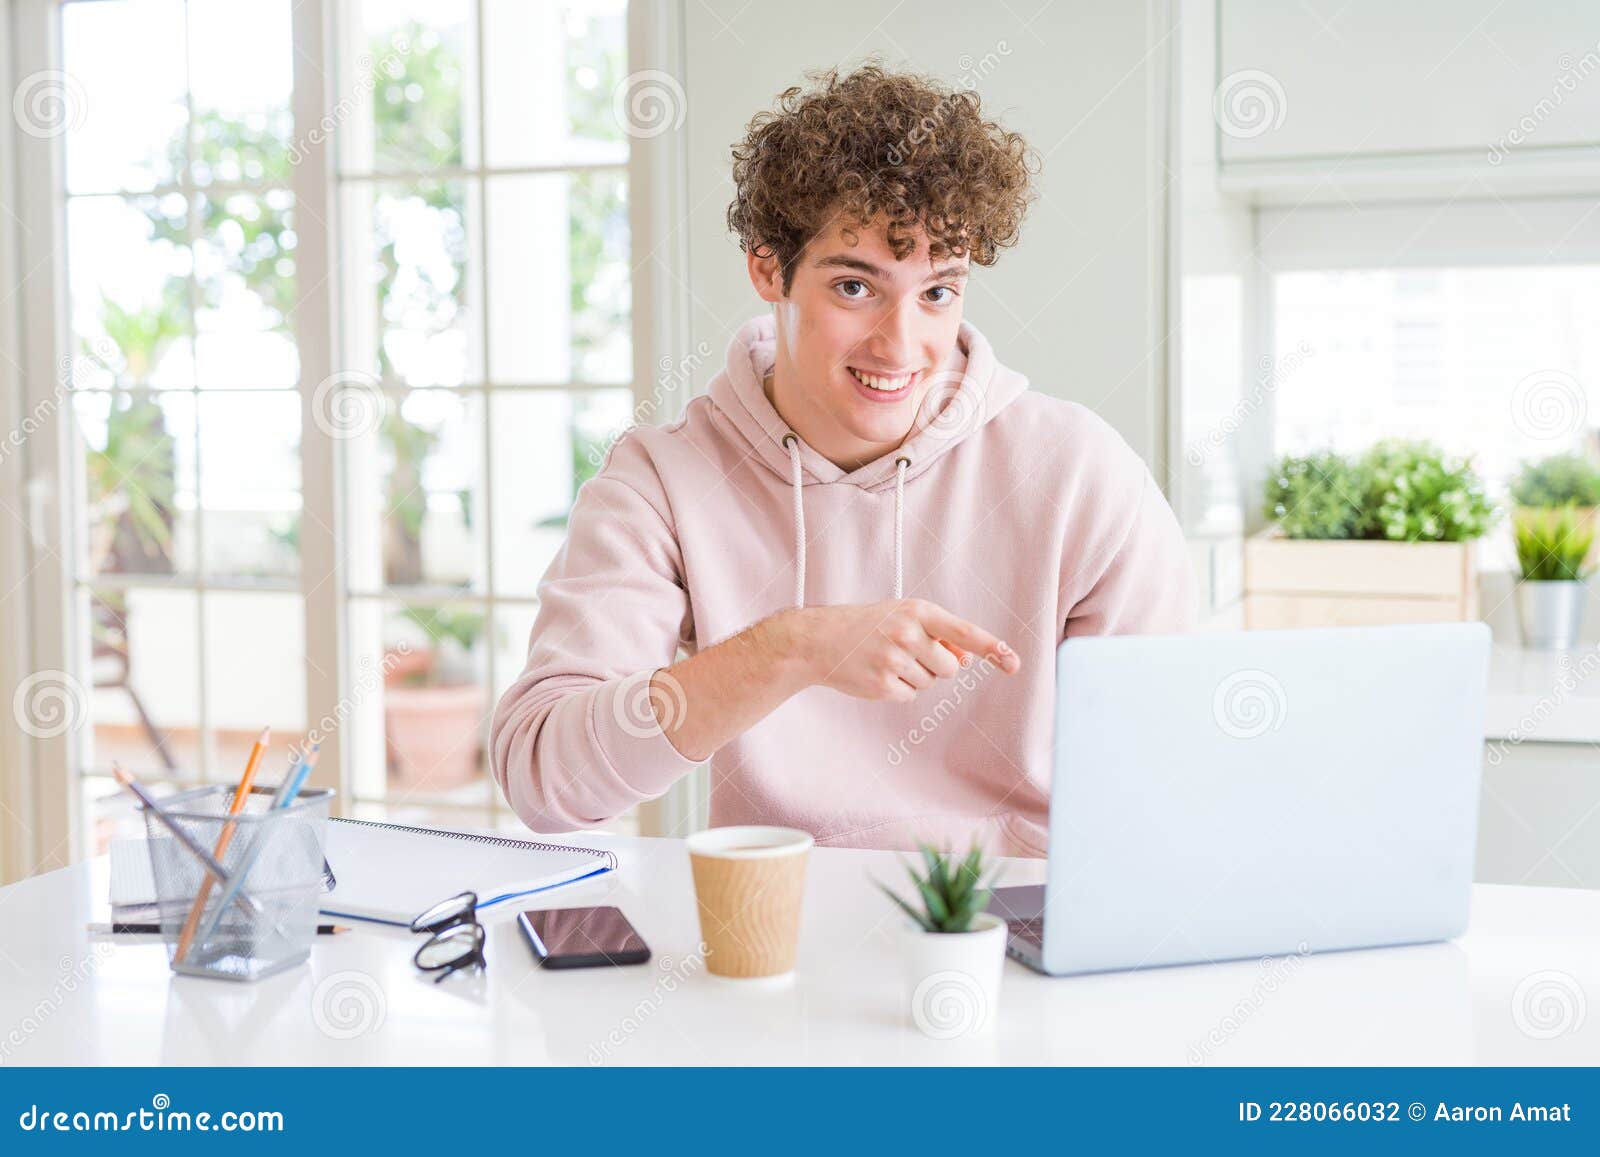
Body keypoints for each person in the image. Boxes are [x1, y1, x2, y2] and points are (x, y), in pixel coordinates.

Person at [490, 63, 1195, 856]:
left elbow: (1169, 771)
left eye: (936, 292)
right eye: (856, 287)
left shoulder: (1078, 474)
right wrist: (794, 647)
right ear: (768, 267)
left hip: (1019, 928)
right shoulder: (662, 482)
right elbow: (542, 778)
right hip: (781, 928)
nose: (901, 346)